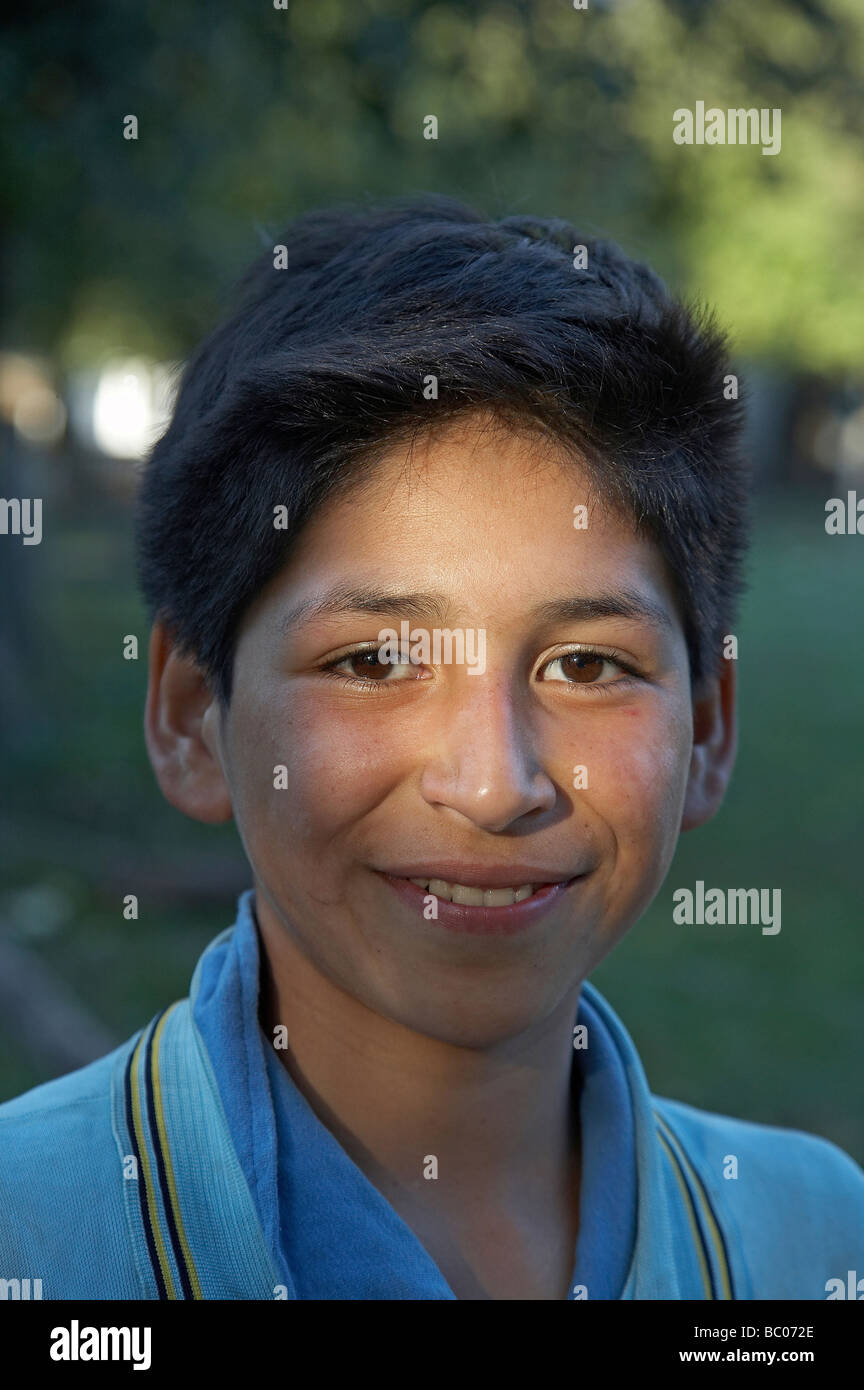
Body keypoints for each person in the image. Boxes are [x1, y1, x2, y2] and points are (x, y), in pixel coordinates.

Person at [1, 195, 861, 1300]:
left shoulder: (814, 1243)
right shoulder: (36, 1244)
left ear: (707, 723)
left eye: (587, 666)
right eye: (371, 662)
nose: (495, 783)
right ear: (189, 717)